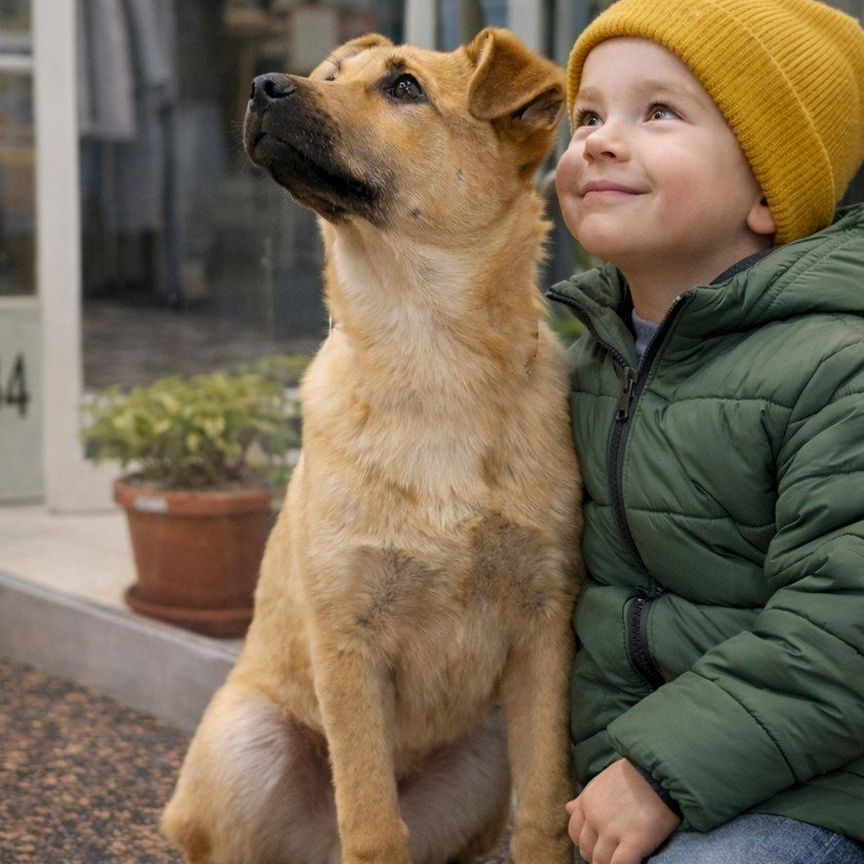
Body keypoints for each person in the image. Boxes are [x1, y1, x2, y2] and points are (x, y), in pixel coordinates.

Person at [547, 1, 864, 862]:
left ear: (767, 191)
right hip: (627, 790)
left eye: (658, 112)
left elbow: (844, 629)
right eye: (588, 116)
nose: (600, 142)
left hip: (814, 799)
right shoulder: (586, 368)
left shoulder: (838, 368)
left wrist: (658, 773)